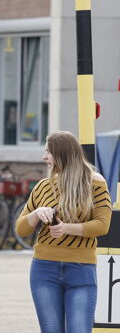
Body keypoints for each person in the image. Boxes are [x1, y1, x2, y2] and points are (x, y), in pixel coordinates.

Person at [17, 131, 112, 333]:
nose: (44, 157)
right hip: (44, 269)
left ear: (62, 155)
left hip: (81, 269)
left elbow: (102, 225)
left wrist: (66, 228)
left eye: (48, 152)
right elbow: (21, 228)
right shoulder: (43, 186)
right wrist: (36, 213)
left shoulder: (95, 183)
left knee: (78, 330)